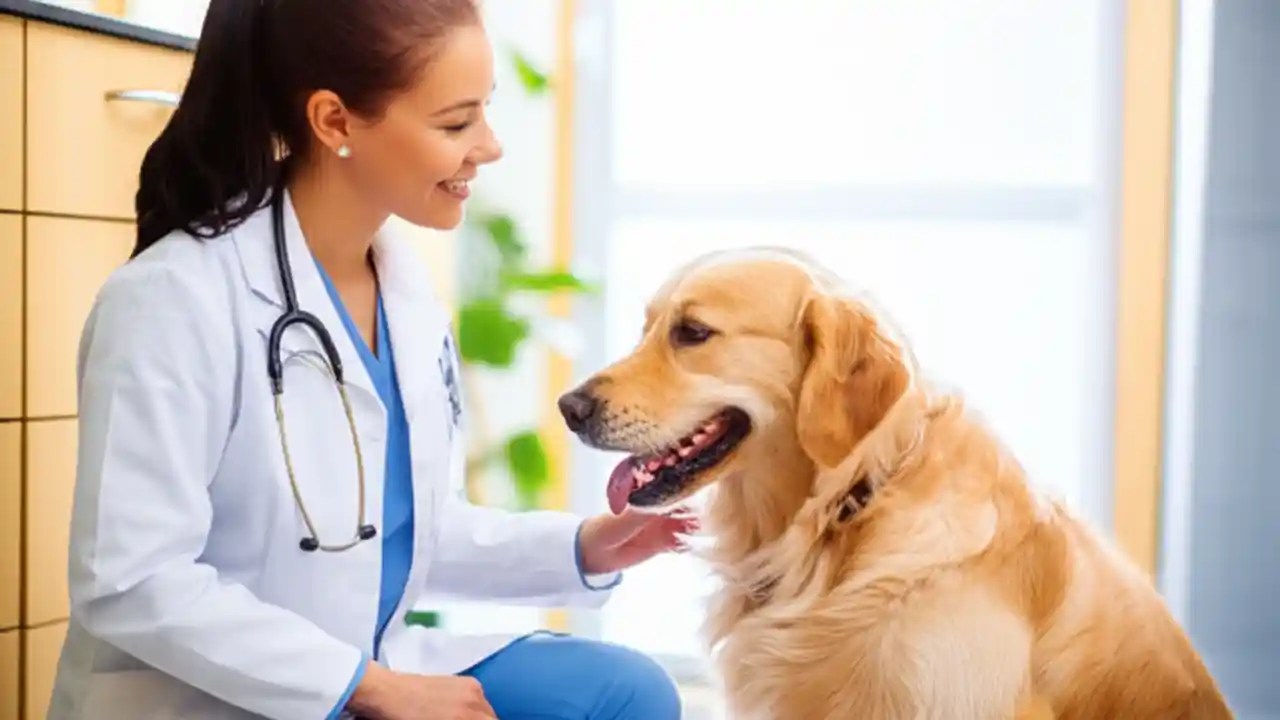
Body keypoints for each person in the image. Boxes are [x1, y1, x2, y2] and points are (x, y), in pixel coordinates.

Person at [47, 1, 691, 718]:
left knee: (625, 694)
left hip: (357, 670)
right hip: (215, 698)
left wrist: (585, 547)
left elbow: (398, 533)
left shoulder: (404, 294)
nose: (489, 146)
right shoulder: (175, 300)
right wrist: (372, 688)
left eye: (485, 112)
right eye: (456, 122)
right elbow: (132, 581)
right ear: (334, 121)